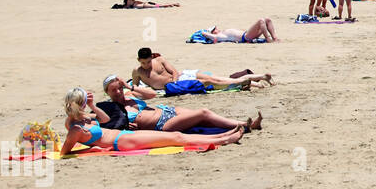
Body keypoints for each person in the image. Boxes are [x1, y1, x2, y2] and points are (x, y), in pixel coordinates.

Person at [60, 88, 244, 155]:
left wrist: (93, 105)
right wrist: (93, 148)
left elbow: (106, 120)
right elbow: (65, 151)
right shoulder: (75, 127)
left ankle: (223, 135)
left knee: (176, 135)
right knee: (177, 140)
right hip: (120, 142)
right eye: (85, 102)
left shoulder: (84, 119)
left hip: (125, 135)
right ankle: (223, 140)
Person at [101, 75, 261, 134]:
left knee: (204, 119)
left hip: (167, 110)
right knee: (203, 113)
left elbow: (152, 94)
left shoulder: (130, 95)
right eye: (114, 90)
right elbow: (107, 123)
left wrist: (129, 86)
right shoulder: (111, 108)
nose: (118, 92)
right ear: (107, 92)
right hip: (162, 124)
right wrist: (127, 126)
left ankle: (244, 125)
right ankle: (243, 125)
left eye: (119, 88)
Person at [132, 48, 271, 95]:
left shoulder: (160, 60)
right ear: (138, 60)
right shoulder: (137, 71)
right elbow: (135, 87)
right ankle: (253, 81)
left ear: (151, 57)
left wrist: (174, 82)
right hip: (177, 85)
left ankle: (259, 78)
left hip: (181, 77)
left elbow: (174, 71)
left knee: (218, 79)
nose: (146, 65)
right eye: (143, 62)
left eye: (148, 61)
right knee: (212, 82)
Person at [197, 19, 279, 42]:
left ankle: (275, 38)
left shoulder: (222, 32)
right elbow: (208, 35)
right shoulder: (219, 36)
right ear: (213, 32)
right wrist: (204, 32)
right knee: (261, 21)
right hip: (246, 37)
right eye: (214, 29)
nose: (216, 29)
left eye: (216, 27)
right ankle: (268, 39)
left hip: (247, 34)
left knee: (267, 20)